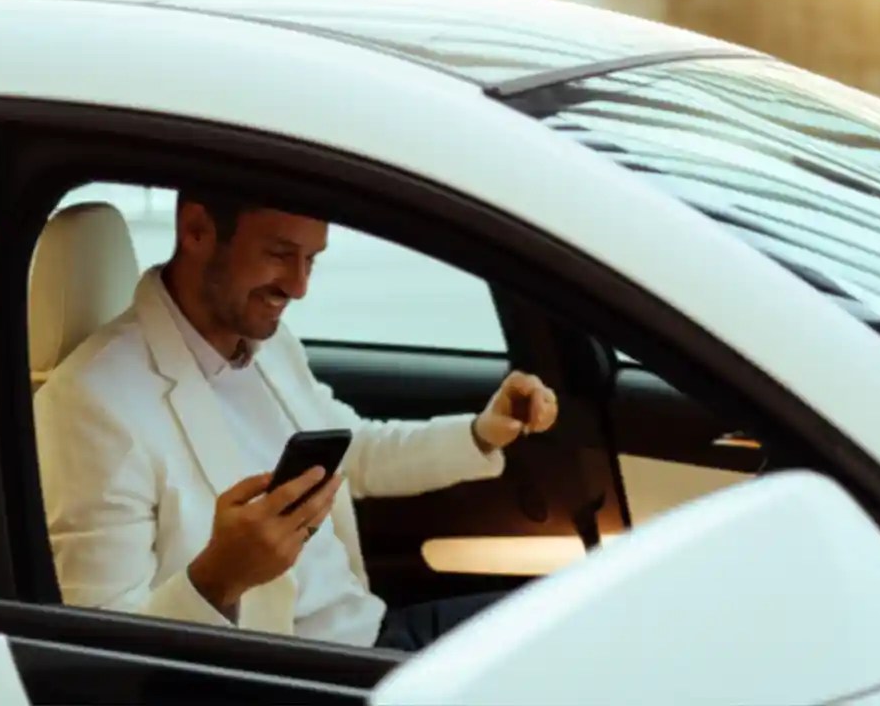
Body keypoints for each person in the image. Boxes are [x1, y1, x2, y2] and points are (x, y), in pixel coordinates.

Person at [34, 190, 558, 651]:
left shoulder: (265, 343)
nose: (301, 286)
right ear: (196, 230)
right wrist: (218, 579)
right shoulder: (92, 405)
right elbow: (102, 652)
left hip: (373, 637)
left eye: (312, 259)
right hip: (299, 677)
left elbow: (359, 451)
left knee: (572, 626)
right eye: (280, 254)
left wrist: (481, 432)